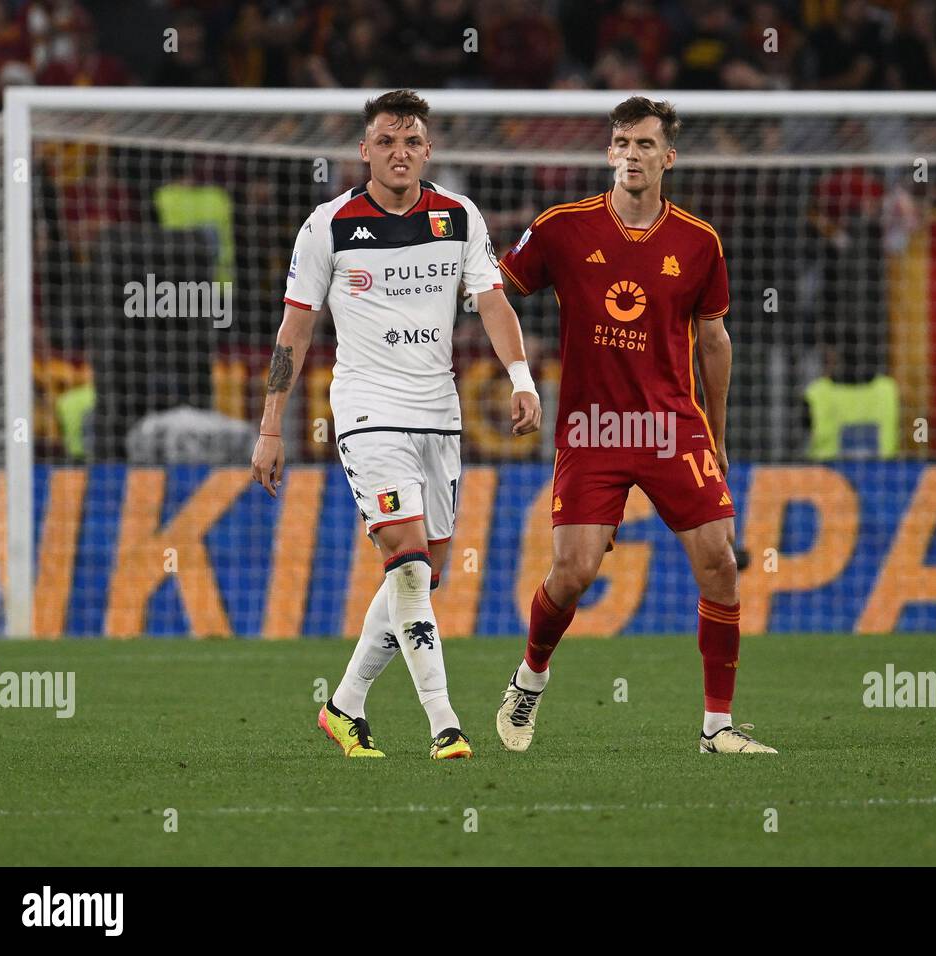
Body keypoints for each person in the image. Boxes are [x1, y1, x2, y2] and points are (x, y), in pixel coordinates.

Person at [250, 90, 541, 759]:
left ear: (427, 149)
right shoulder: (328, 226)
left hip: (439, 414)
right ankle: (445, 724)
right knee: (407, 562)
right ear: (364, 150)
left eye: (411, 141)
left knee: (423, 574)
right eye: (386, 141)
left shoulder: (459, 217)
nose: (400, 153)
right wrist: (271, 426)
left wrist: (521, 379)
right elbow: (294, 331)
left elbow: (493, 302)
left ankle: (344, 707)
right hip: (365, 412)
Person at [496, 96, 776, 755]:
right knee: (574, 573)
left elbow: (714, 339)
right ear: (607, 153)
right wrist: (519, 372)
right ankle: (529, 682)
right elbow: (495, 290)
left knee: (720, 564)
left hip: (672, 428)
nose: (631, 154)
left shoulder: (698, 242)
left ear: (667, 158)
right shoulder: (562, 228)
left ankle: (717, 728)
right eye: (621, 142)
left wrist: (717, 432)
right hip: (592, 430)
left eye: (645, 145)